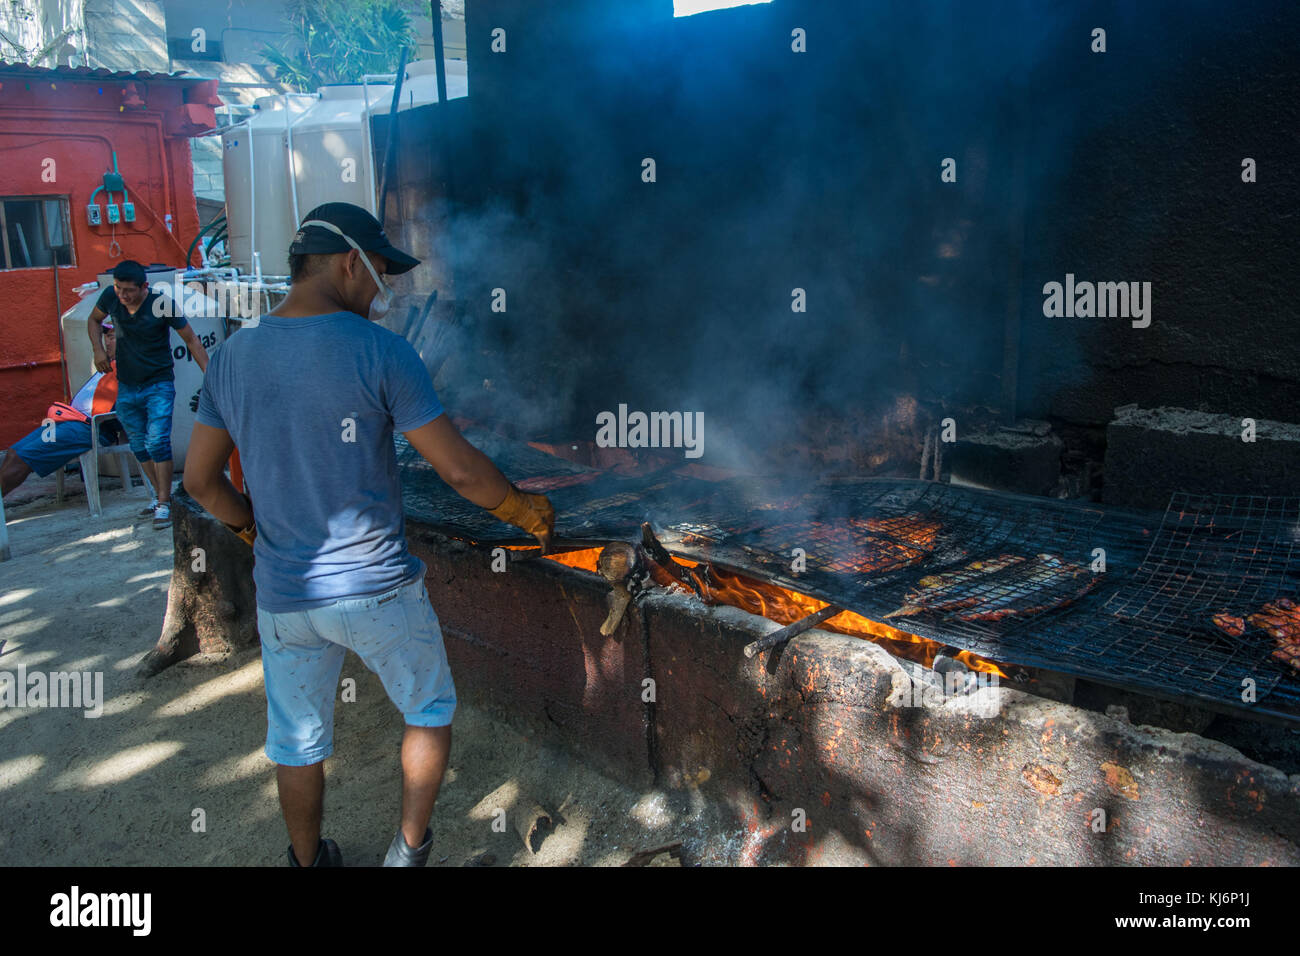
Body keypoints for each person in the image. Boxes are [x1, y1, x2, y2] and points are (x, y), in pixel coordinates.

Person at [183, 202, 555, 868]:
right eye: (382, 269)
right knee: (429, 709)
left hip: (285, 596)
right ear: (351, 262)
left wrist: (252, 534)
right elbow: (462, 471)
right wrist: (527, 513)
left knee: (296, 743)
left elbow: (202, 482)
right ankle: (407, 851)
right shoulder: (382, 350)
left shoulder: (232, 357)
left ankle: (306, 860)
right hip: (377, 590)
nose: (387, 286)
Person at [88, 260, 210, 529]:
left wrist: (210, 376)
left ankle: (165, 503)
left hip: (158, 383)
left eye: (128, 290)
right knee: (139, 445)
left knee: (157, 442)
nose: (122, 295)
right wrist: (98, 350)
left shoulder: (162, 304)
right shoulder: (110, 297)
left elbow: (191, 339)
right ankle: (161, 499)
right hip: (127, 385)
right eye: (118, 288)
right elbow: (94, 320)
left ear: (144, 286)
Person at [2, 321, 125, 497]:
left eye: (112, 337)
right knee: (14, 452)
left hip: (87, 428)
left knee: (23, 458)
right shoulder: (106, 363)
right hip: (66, 420)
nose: (106, 342)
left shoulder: (129, 366)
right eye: (106, 336)